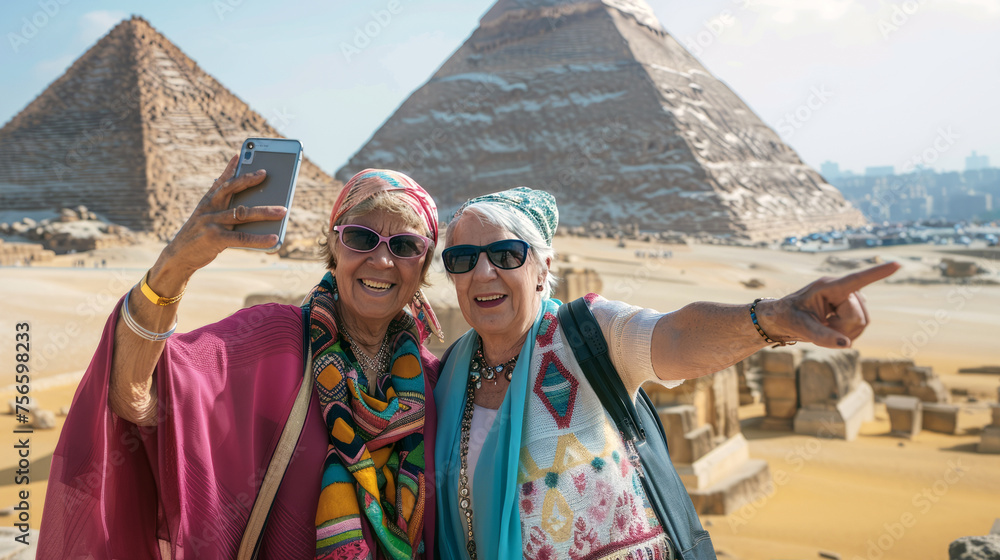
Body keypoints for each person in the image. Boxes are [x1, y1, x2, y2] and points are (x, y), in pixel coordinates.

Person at [433, 187, 900, 560]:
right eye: (462, 259)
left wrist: (773, 317)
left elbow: (677, 336)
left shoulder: (586, 333)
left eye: (506, 254)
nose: (483, 272)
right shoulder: (449, 373)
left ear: (542, 268)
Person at [38, 159, 444, 559]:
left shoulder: (434, 382)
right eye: (360, 237)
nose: (382, 260)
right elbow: (134, 396)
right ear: (334, 248)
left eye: (406, 246)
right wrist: (176, 264)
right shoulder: (272, 340)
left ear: (424, 265)